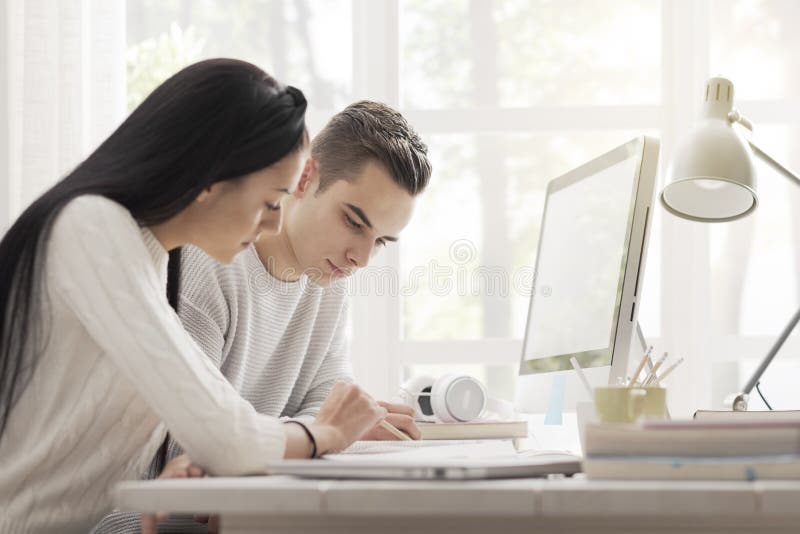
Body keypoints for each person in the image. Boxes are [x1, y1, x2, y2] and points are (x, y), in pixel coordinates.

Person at [0, 58, 387, 534]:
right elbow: (228, 436)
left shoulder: (155, 255)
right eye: (270, 203)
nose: (275, 222)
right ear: (211, 180)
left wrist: (199, 464)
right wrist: (322, 433)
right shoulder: (93, 228)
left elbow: (213, 418)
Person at [94, 100, 433, 534]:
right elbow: (194, 455)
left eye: (381, 241)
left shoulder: (328, 281)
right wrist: (327, 433)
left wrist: (328, 432)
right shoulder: (207, 265)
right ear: (306, 178)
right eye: (353, 222)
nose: (361, 258)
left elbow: (325, 406)